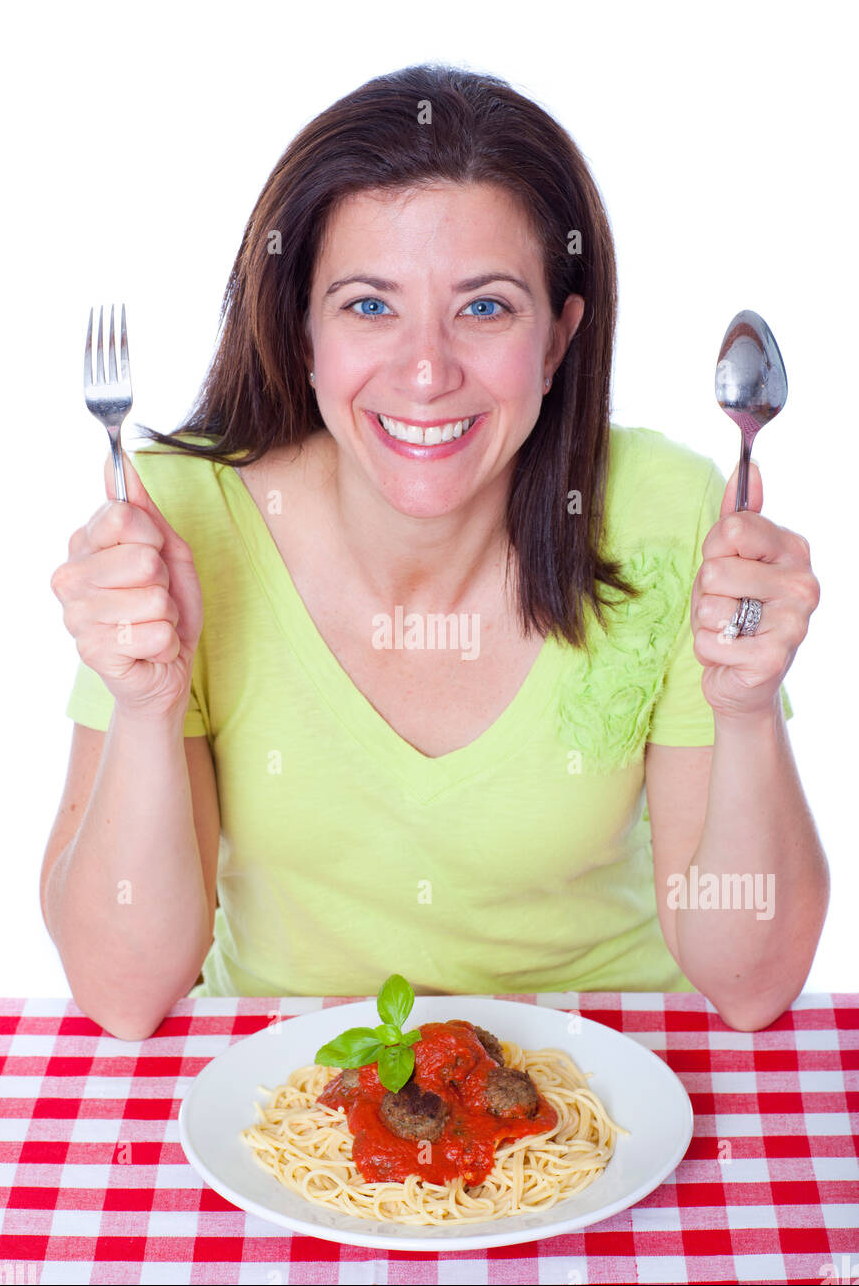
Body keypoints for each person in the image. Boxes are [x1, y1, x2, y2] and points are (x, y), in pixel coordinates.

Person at [41, 64, 828, 1040]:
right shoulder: (180, 518)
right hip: (287, 1105)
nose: (424, 371)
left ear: (555, 340)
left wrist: (744, 708)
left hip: (610, 1084)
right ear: (301, 335)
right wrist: (146, 702)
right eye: (369, 306)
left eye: (484, 307)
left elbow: (748, 985)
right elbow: (122, 994)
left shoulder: (667, 513)